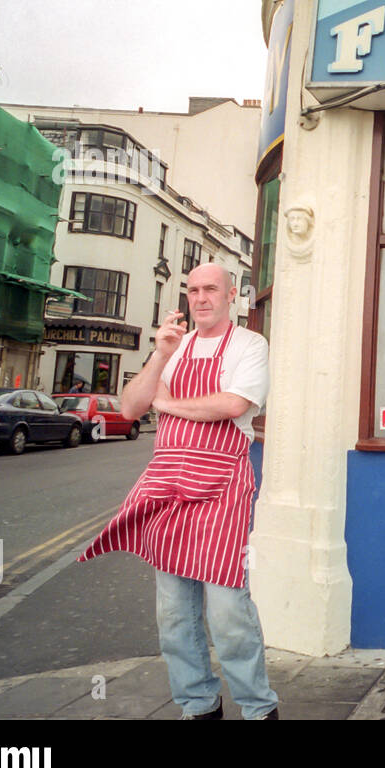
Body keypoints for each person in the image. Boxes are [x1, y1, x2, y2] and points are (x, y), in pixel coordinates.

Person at [78, 262, 278, 720]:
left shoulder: (250, 345)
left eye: (211, 289)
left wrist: (164, 403)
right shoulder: (175, 347)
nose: (201, 297)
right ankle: (199, 705)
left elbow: (232, 404)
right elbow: (130, 407)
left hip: (222, 485)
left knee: (228, 612)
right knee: (173, 615)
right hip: (167, 482)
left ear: (231, 296)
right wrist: (158, 356)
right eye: (192, 290)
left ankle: (258, 710)